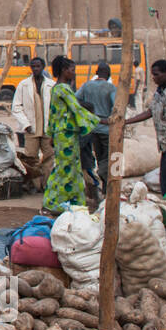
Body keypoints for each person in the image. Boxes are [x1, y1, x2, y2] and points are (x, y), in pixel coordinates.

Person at [122, 59, 166, 200]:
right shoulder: (159, 93)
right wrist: (126, 122)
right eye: (153, 75)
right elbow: (150, 112)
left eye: (156, 74)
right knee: (165, 182)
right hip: (165, 145)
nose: (153, 78)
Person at [42, 56, 100, 214]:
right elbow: (77, 109)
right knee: (66, 170)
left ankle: (68, 202)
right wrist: (99, 120)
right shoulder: (64, 89)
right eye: (72, 70)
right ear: (64, 70)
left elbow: (53, 115)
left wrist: (52, 135)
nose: (74, 73)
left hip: (61, 134)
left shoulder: (56, 88)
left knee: (68, 169)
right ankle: (55, 203)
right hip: (67, 135)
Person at [11, 57, 55, 191]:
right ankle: (35, 185)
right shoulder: (23, 85)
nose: (36, 69)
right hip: (31, 129)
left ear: (43, 67)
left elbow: (54, 108)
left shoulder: (51, 85)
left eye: (38, 66)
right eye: (33, 66)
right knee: (31, 158)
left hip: (47, 128)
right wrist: (25, 124)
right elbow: (16, 107)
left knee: (49, 158)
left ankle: (46, 185)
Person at [75, 63, 117, 195]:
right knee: (106, 157)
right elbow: (115, 108)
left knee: (98, 156)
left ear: (96, 73)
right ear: (109, 74)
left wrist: (88, 112)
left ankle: (102, 186)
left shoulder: (87, 85)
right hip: (105, 128)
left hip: (90, 128)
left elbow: (75, 99)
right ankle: (102, 175)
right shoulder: (111, 88)